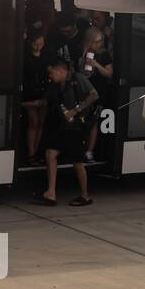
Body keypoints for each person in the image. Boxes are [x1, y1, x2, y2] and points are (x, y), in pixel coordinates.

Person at [35, 58, 98, 207]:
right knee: (51, 153)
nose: (50, 76)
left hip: (77, 127)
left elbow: (94, 95)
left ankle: (85, 196)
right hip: (64, 127)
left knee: (77, 162)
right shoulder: (56, 86)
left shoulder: (78, 78)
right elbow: (45, 102)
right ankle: (51, 193)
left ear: (61, 71)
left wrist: (75, 110)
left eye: (52, 73)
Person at [79, 26, 114, 162]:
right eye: (95, 42)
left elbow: (109, 73)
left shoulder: (103, 54)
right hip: (83, 92)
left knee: (93, 122)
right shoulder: (82, 52)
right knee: (80, 121)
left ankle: (89, 151)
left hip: (98, 92)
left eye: (100, 41)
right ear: (89, 41)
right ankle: (79, 148)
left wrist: (96, 65)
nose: (98, 44)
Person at [20, 29, 48, 165]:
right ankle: (31, 153)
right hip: (30, 93)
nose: (39, 46)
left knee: (41, 123)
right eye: (36, 44)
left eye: (41, 44)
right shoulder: (25, 57)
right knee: (33, 122)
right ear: (30, 43)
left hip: (43, 92)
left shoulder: (45, 56)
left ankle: (35, 152)